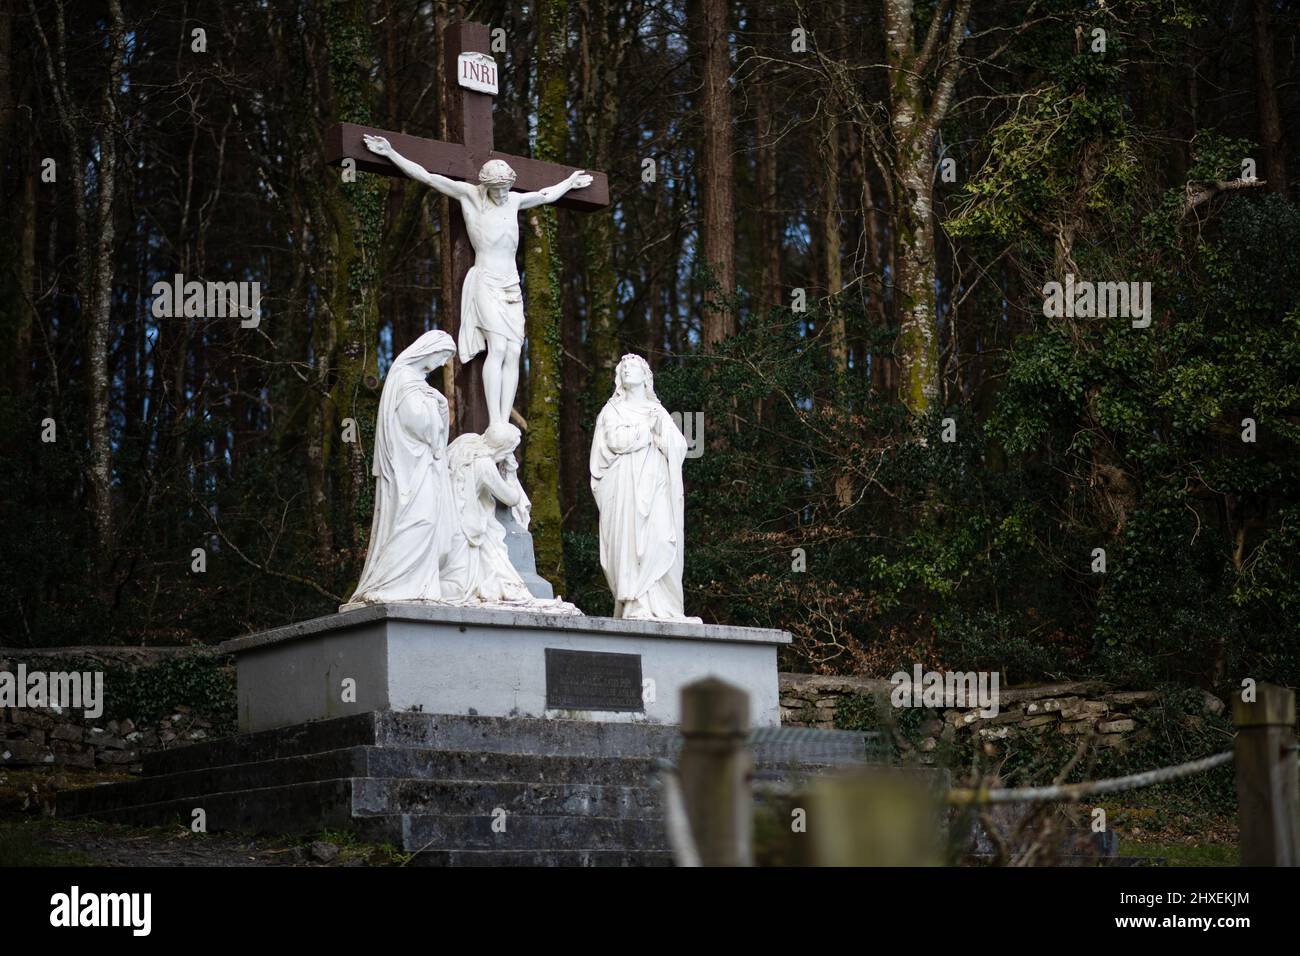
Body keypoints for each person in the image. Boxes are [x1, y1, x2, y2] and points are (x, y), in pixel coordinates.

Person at [361, 135, 592, 429]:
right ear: (487, 186)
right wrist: (391, 153)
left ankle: (504, 417)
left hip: (511, 285)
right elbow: (428, 177)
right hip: (486, 281)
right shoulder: (470, 196)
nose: (505, 194)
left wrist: (569, 183)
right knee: (497, 347)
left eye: (508, 187)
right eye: (500, 189)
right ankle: (495, 421)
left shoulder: (515, 200)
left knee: (514, 351)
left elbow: (545, 195)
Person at [343, 330, 467, 609]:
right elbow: (418, 423)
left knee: (427, 522)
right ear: (428, 350)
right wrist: (437, 410)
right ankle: (394, 583)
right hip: (411, 469)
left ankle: (419, 584)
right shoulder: (405, 379)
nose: (440, 363)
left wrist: (438, 408)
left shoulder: (415, 382)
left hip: (421, 465)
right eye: (441, 356)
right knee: (418, 520)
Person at [589, 354, 700, 622]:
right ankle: (636, 603)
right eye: (623, 368)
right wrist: (645, 430)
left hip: (656, 487)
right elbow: (614, 441)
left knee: (660, 539)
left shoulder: (658, 411)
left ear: (646, 376)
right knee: (630, 543)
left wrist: (660, 434)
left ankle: (664, 606)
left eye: (633, 367)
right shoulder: (612, 411)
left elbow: (680, 446)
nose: (627, 370)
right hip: (625, 487)